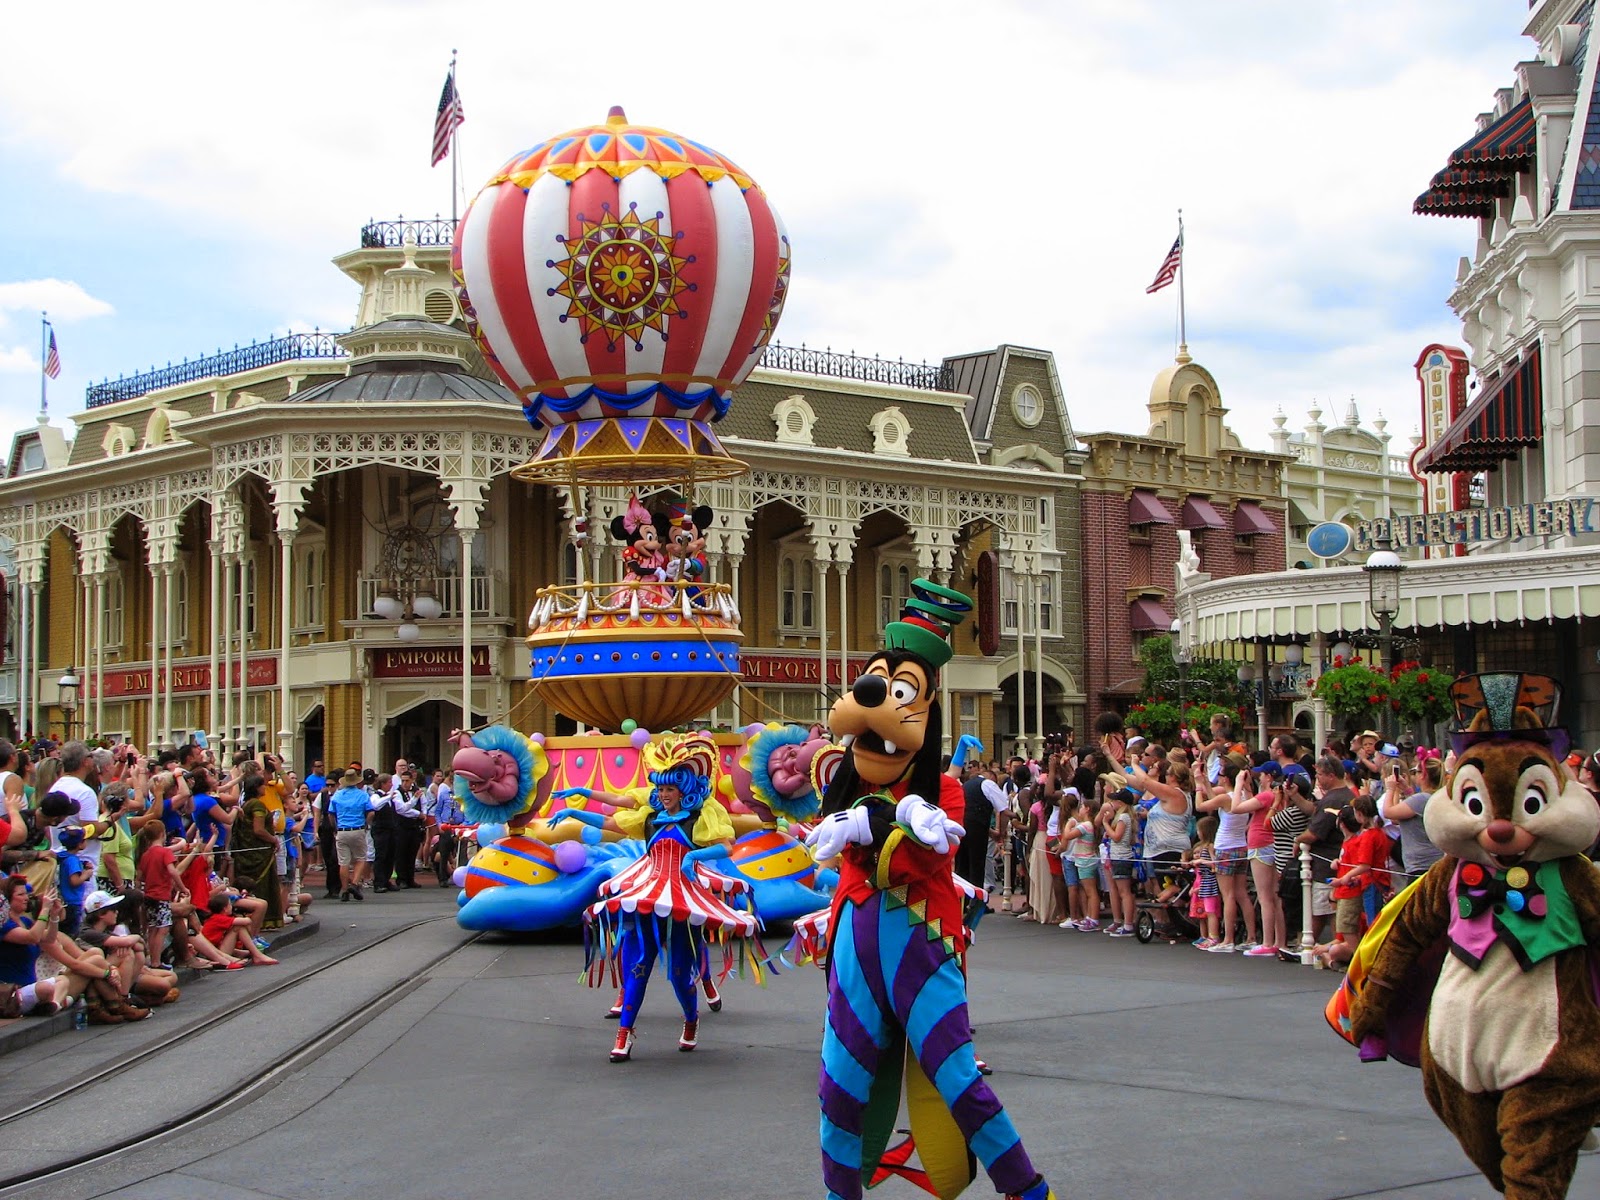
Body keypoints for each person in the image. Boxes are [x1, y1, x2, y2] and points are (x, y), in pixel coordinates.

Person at [549, 733, 751, 1062]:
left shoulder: (696, 819)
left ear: (682, 790)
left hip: (683, 902)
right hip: (648, 896)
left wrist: (691, 858)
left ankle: (690, 1019)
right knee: (638, 966)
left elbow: (727, 845)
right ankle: (625, 1032)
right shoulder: (650, 819)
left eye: (669, 789)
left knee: (677, 973)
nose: (663, 795)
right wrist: (576, 809)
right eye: (660, 789)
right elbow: (610, 822)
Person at [231, 774, 284, 929]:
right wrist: (273, 839)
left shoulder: (246, 804)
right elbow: (258, 830)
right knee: (265, 885)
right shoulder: (257, 805)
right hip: (259, 854)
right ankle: (265, 919)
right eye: (262, 785)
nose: (264, 788)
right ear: (256, 787)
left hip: (248, 852)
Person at [329, 770, 375, 901]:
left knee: (343, 862)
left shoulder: (337, 795)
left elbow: (330, 814)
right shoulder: (362, 795)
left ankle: (344, 890)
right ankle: (354, 883)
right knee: (360, 858)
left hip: (342, 830)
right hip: (358, 828)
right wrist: (366, 824)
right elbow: (371, 813)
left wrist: (335, 827)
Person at [1059, 792, 1101, 931]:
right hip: (1085, 859)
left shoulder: (1085, 825)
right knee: (1089, 890)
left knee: (1091, 891)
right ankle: (1089, 917)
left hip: (1085, 860)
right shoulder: (1089, 825)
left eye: (1083, 807)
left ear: (1087, 809)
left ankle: (1093, 919)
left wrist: (1068, 824)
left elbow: (1068, 835)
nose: (1080, 809)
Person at [199, 893, 279, 965]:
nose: (232, 907)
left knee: (237, 926)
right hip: (215, 953)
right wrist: (246, 917)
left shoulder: (215, 917)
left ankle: (246, 953)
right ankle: (257, 955)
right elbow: (246, 921)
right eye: (230, 905)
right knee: (238, 927)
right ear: (225, 909)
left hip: (215, 949)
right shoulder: (219, 918)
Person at [1187, 814, 1222, 949]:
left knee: (1211, 911)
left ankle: (1214, 936)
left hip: (1210, 881)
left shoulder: (1210, 846)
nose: (1198, 833)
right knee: (1208, 910)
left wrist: (1202, 861)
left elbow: (1215, 864)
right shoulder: (1203, 846)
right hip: (1204, 882)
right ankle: (1208, 936)